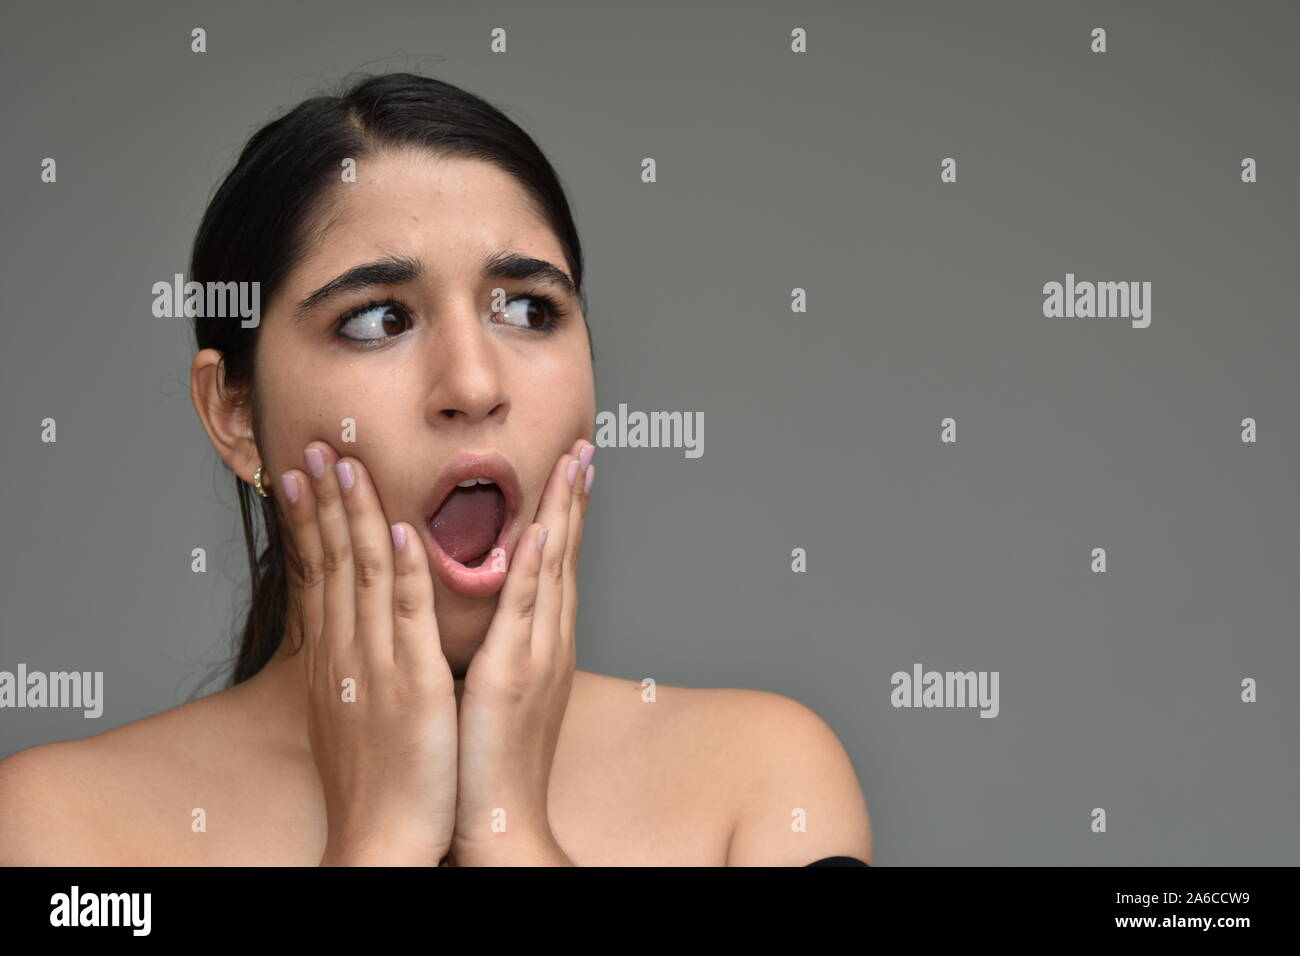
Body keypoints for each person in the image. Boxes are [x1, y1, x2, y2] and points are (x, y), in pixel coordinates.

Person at [0, 72, 871, 866]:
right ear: (235, 413)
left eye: (530, 309)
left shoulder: (761, 780)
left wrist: (514, 834)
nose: (474, 384)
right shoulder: (66, 827)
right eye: (378, 320)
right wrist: (377, 842)